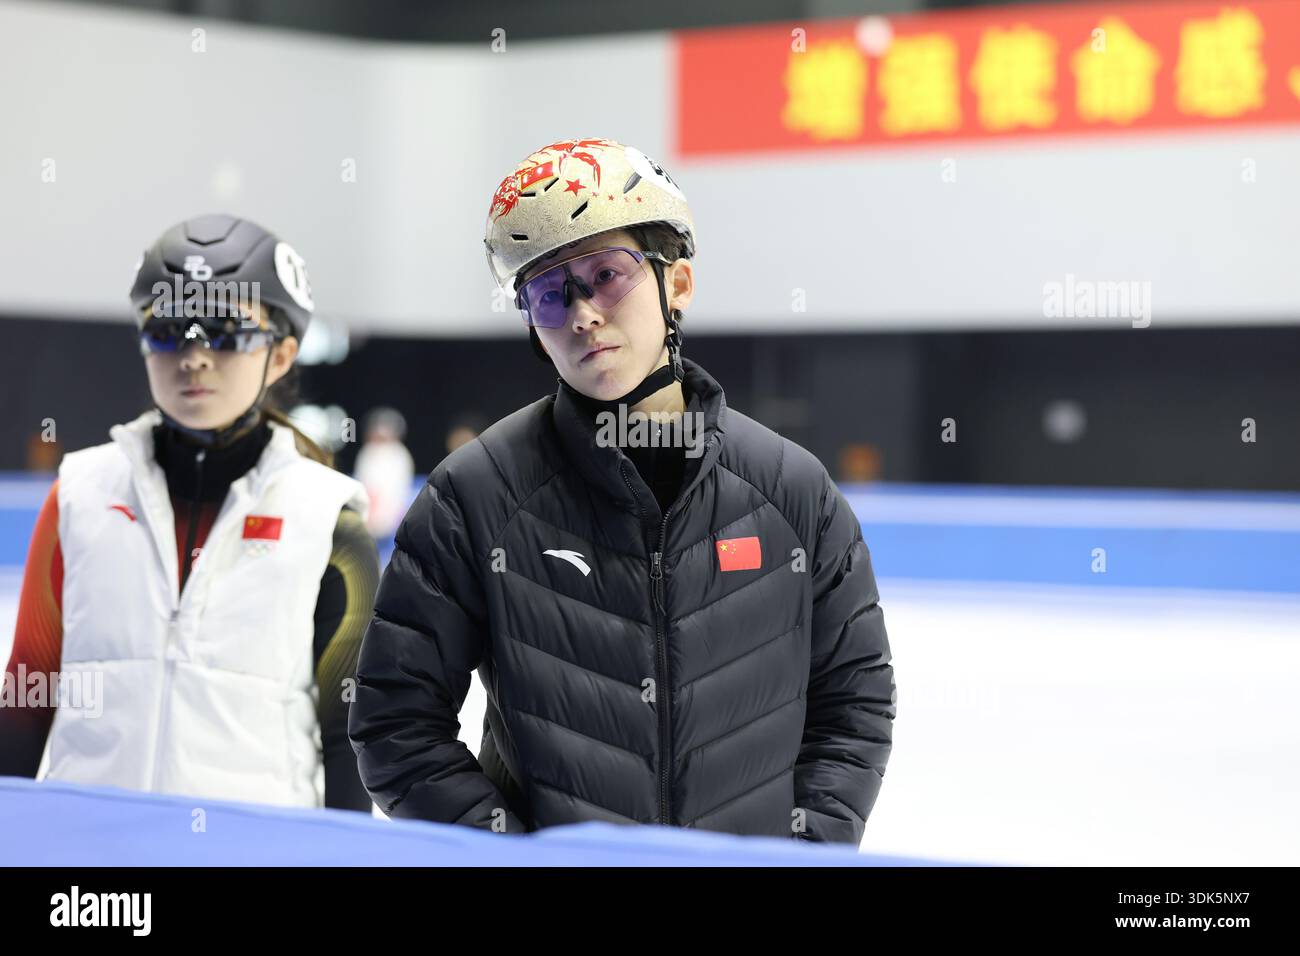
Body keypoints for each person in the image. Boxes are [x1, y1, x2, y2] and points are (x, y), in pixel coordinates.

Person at [349, 138, 896, 843]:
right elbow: (395, 720)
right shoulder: (474, 497)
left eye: (609, 274)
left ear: (680, 285)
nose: (582, 314)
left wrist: (800, 853)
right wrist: (517, 860)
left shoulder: (794, 492)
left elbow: (854, 706)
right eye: (550, 293)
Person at [0, 214, 379, 812]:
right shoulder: (78, 493)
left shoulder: (330, 522)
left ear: (280, 356)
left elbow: (347, 738)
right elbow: (25, 701)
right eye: (169, 330)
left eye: (226, 332)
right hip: (94, 880)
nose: (195, 356)